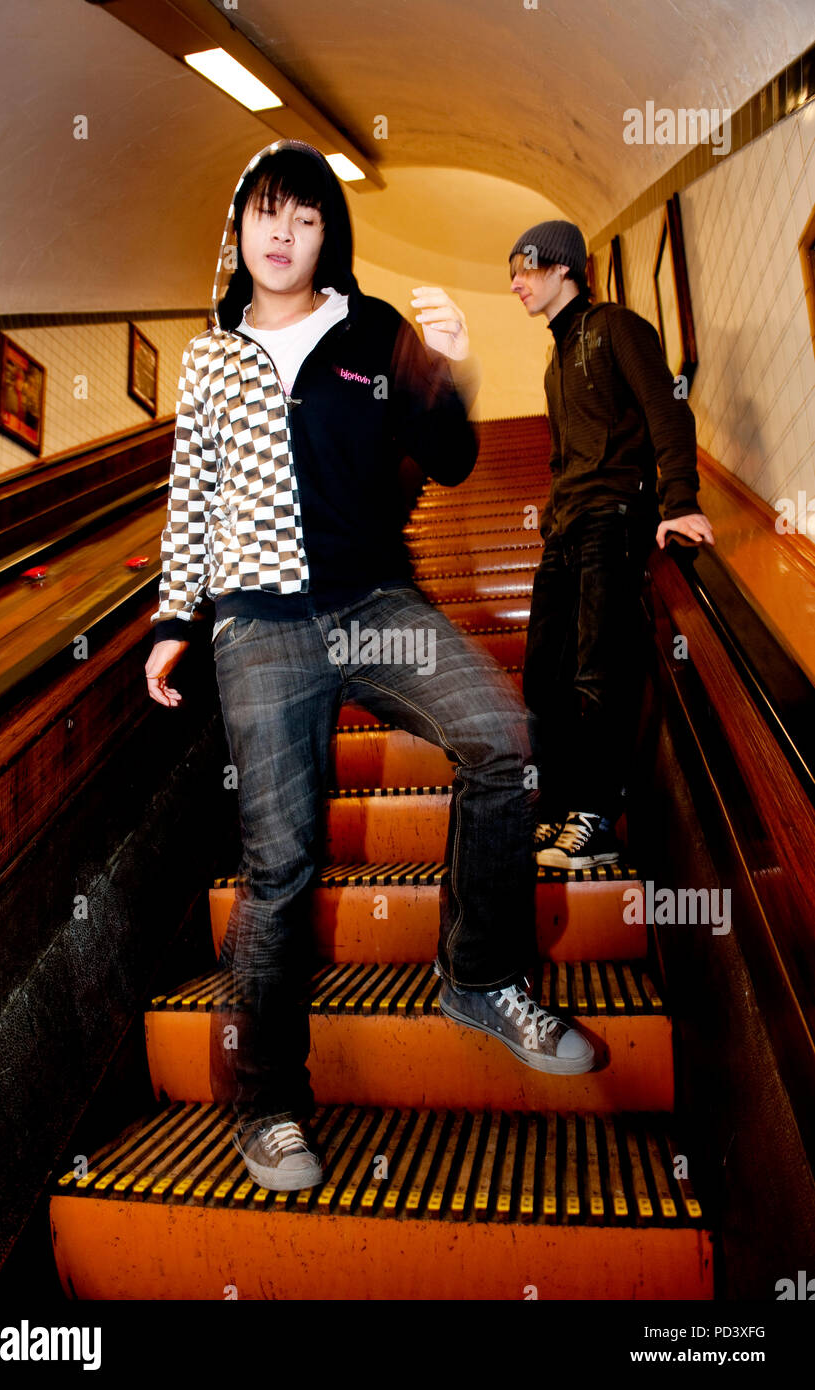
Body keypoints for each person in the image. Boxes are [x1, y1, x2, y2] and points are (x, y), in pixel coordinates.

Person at [145, 144, 595, 1193]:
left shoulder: (371, 331)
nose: (281, 234)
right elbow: (189, 498)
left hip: (372, 601)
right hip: (257, 623)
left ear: (323, 235)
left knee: (502, 740)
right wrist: (176, 616)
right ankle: (266, 1101)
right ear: (240, 230)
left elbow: (446, 461)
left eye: (302, 217)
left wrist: (446, 372)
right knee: (280, 866)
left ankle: (479, 974)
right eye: (264, 214)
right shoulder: (209, 357)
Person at [509, 220, 716, 869]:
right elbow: (560, 455)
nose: (515, 282)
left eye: (524, 268)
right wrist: (549, 517)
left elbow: (665, 409)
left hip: (611, 518)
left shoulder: (615, 327)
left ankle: (595, 819)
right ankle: (563, 807)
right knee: (544, 678)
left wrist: (678, 500)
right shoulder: (554, 359)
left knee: (600, 671)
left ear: (562, 268)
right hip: (565, 527)